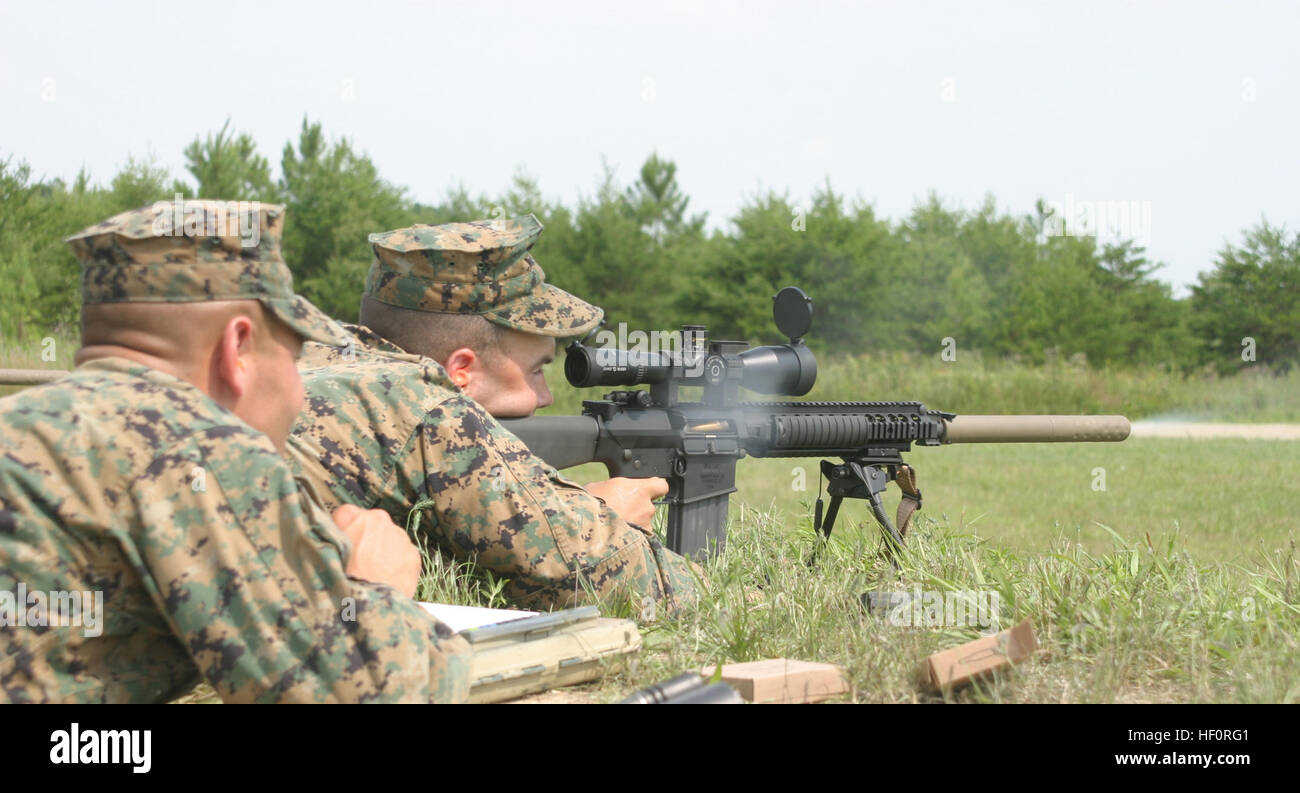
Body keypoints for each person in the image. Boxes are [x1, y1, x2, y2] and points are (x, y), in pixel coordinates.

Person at [0, 201, 471, 703]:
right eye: (293, 356)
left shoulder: (25, 423)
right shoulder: (196, 448)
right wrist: (370, 587)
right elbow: (371, 695)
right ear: (238, 347)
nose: (298, 389)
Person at [288, 215, 699, 614]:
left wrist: (559, 503)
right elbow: (631, 582)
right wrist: (602, 520)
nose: (544, 397)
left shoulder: (308, 358)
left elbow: (429, 547)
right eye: (536, 370)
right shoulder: (432, 412)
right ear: (461, 372)